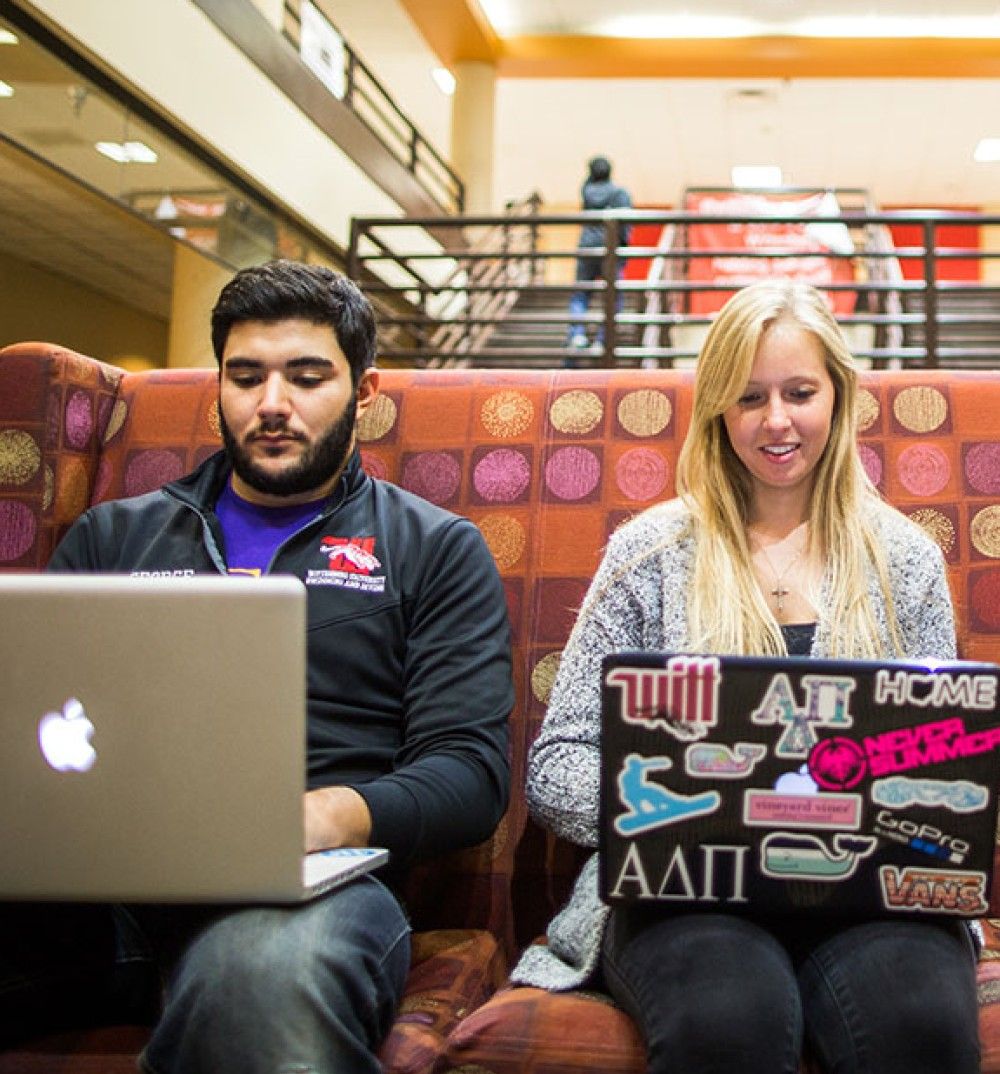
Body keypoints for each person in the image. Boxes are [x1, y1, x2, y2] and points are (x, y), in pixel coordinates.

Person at [0, 260, 513, 1074]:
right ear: (220, 388)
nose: (273, 404)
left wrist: (318, 818)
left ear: (365, 390)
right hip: (100, 890)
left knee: (259, 980)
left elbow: (469, 775)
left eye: (307, 377)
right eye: (247, 377)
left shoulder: (434, 549)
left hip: (306, 894)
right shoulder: (112, 538)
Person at [512, 278, 980, 1073]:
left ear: (839, 395)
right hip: (683, 892)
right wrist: (703, 814)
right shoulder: (651, 554)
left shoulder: (905, 559)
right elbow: (557, 766)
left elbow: (938, 756)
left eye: (800, 392)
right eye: (749, 396)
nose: (776, 421)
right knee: (730, 1018)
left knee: (922, 1024)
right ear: (717, 411)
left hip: (868, 896)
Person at [567, 155, 633, 352]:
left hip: (586, 247)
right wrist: (624, 250)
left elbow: (586, 183)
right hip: (609, 249)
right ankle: (603, 340)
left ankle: (577, 335)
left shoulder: (586, 192)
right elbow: (625, 224)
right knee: (612, 297)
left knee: (581, 294)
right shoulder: (619, 193)